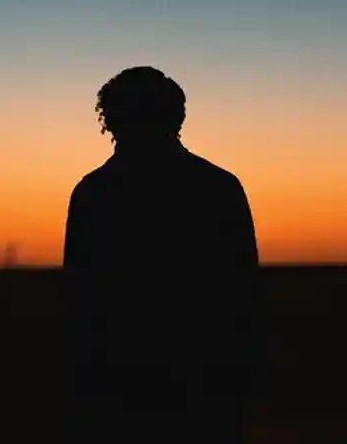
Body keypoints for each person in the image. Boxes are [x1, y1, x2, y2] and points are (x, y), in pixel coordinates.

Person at [62, 66, 258, 443]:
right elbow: (244, 290)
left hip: (125, 381)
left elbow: (78, 298)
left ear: (110, 120)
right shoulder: (218, 187)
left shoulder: (94, 193)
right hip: (201, 379)